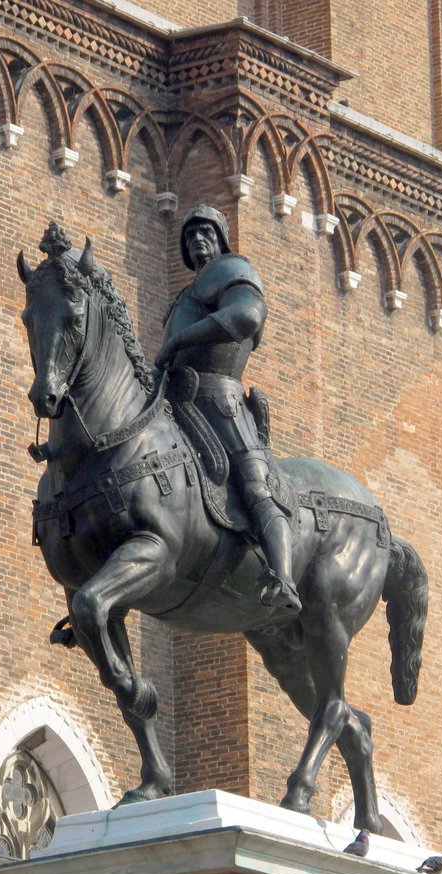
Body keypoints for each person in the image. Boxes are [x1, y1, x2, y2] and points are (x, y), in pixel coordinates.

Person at [154, 205, 301, 615]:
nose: (197, 240)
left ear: (220, 239)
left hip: (221, 398)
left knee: (255, 487)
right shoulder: (184, 295)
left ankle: (283, 579)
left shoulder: (234, 270)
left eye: (205, 232)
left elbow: (246, 315)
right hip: (176, 396)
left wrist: (180, 340)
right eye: (190, 235)